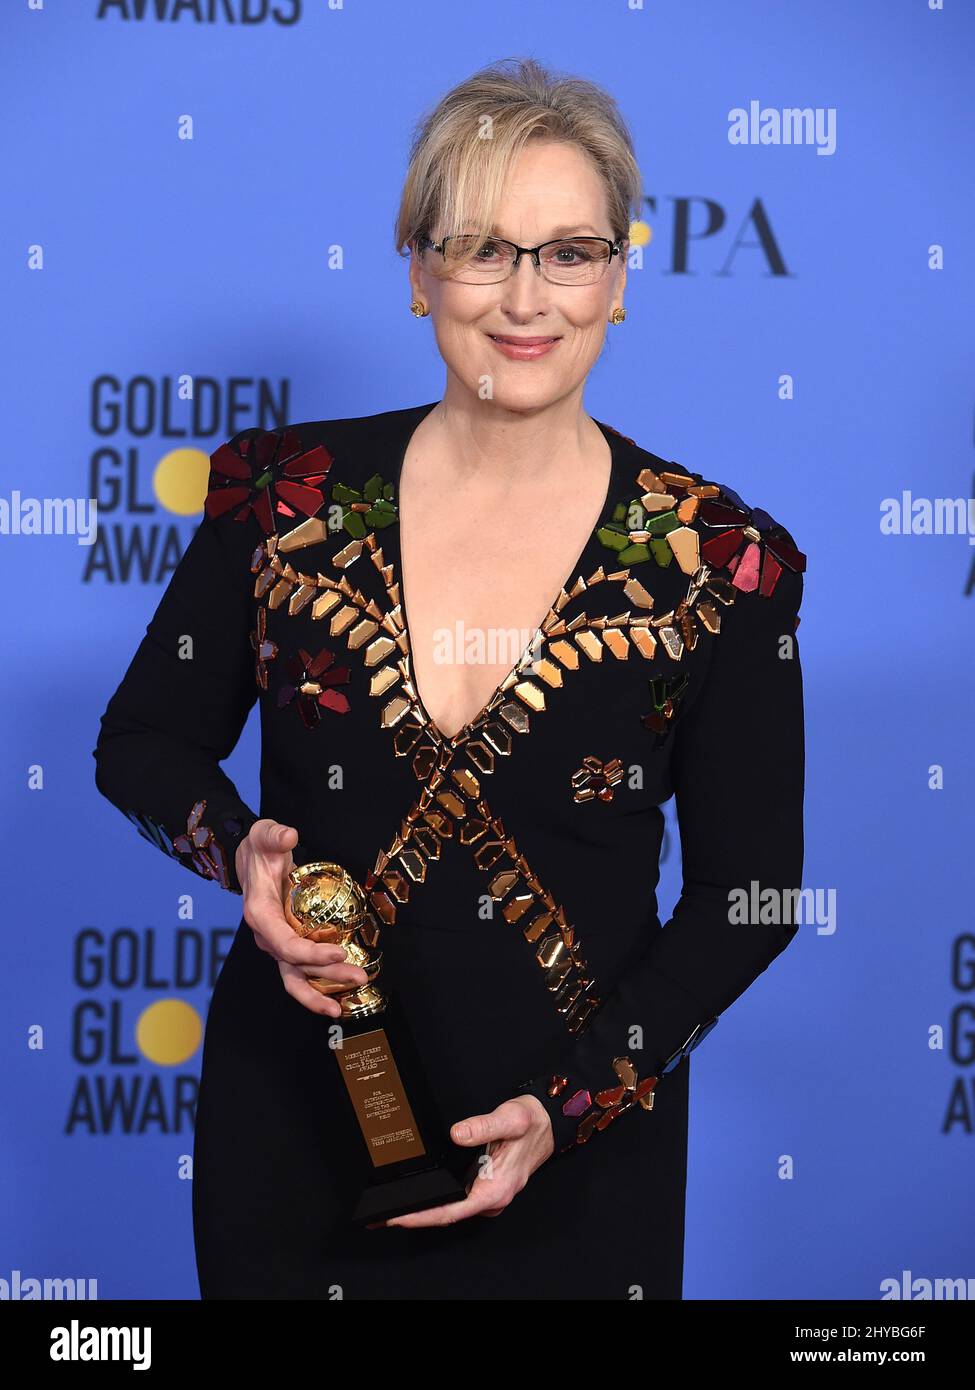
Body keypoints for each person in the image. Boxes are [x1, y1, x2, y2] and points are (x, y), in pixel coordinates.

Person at [92, 57, 806, 1300]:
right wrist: (237, 855)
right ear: (419, 271)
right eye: (482, 248)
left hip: (583, 1165)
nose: (526, 298)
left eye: (569, 252)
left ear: (620, 279)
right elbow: (140, 743)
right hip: (295, 1134)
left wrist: (574, 1101)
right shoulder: (283, 502)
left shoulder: (720, 563)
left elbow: (756, 892)